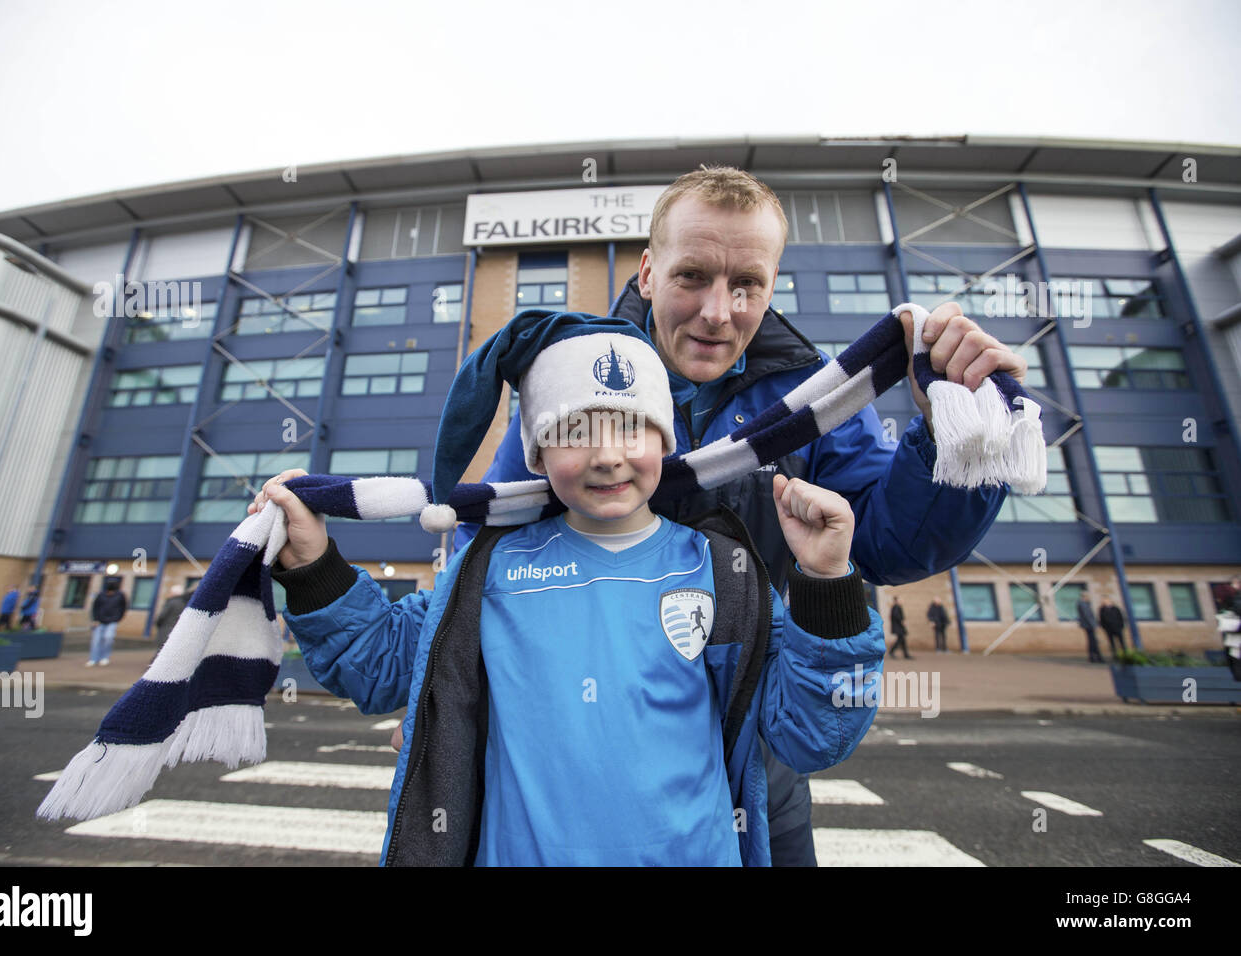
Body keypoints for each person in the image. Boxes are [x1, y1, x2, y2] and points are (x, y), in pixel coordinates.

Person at [454, 165, 1026, 865]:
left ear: (772, 285)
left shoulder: (819, 393)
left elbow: (885, 544)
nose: (718, 311)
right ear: (646, 272)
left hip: (757, 763)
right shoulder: (574, 375)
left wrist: (954, 432)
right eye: (692, 275)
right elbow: (492, 541)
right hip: (586, 755)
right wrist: (445, 697)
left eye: (746, 284)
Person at [255, 315, 885, 865]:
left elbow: (812, 733)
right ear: (536, 452)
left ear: (664, 440)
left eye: (631, 428)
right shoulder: (490, 570)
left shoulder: (724, 571)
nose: (608, 456)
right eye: (576, 430)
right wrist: (315, 565)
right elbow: (379, 663)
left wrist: (828, 582)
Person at [87, 580, 128, 667]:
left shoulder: (120, 596)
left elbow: (123, 607)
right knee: (96, 640)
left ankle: (104, 657)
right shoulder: (101, 595)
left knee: (108, 638)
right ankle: (93, 659)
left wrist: (118, 618)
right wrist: (95, 619)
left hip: (112, 621)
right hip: (99, 621)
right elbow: (95, 607)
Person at [152, 582, 196, 662]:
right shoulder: (185, 603)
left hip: (166, 628)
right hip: (176, 629)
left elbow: (162, 616)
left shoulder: (171, 602)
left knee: (161, 649)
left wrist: (158, 624)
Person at [1076, 590, 1102, 663]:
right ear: (1085, 596)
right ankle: (1095, 656)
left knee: (1093, 641)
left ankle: (1094, 656)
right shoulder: (1083, 604)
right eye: (1088, 596)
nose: (1089, 598)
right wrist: (1093, 625)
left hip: (1088, 625)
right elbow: (1087, 616)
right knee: (1092, 641)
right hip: (1088, 625)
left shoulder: (1085, 604)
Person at [889, 595, 912, 659]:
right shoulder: (896, 607)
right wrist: (902, 621)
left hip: (899, 626)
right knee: (900, 640)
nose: (902, 601)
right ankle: (892, 651)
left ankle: (906, 654)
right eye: (900, 600)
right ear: (897, 601)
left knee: (902, 640)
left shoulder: (897, 607)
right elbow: (896, 616)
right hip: (898, 627)